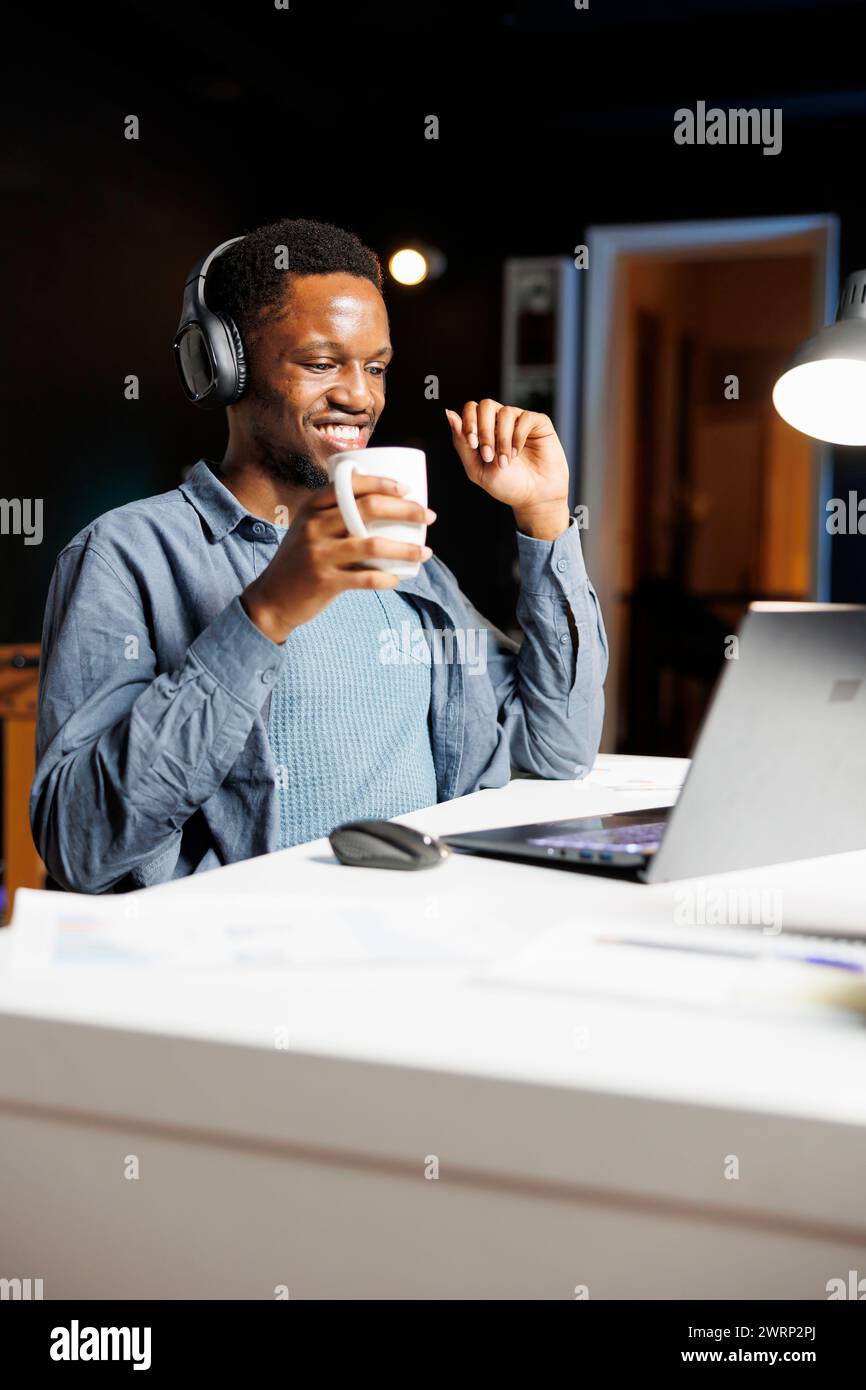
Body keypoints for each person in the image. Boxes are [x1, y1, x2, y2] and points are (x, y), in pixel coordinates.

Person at [30, 218, 608, 893]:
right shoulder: (127, 554)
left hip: (416, 949)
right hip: (234, 973)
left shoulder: (408, 564)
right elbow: (79, 845)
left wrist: (542, 517)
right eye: (321, 362)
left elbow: (556, 750)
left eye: (377, 367)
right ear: (224, 367)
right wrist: (265, 614)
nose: (360, 396)